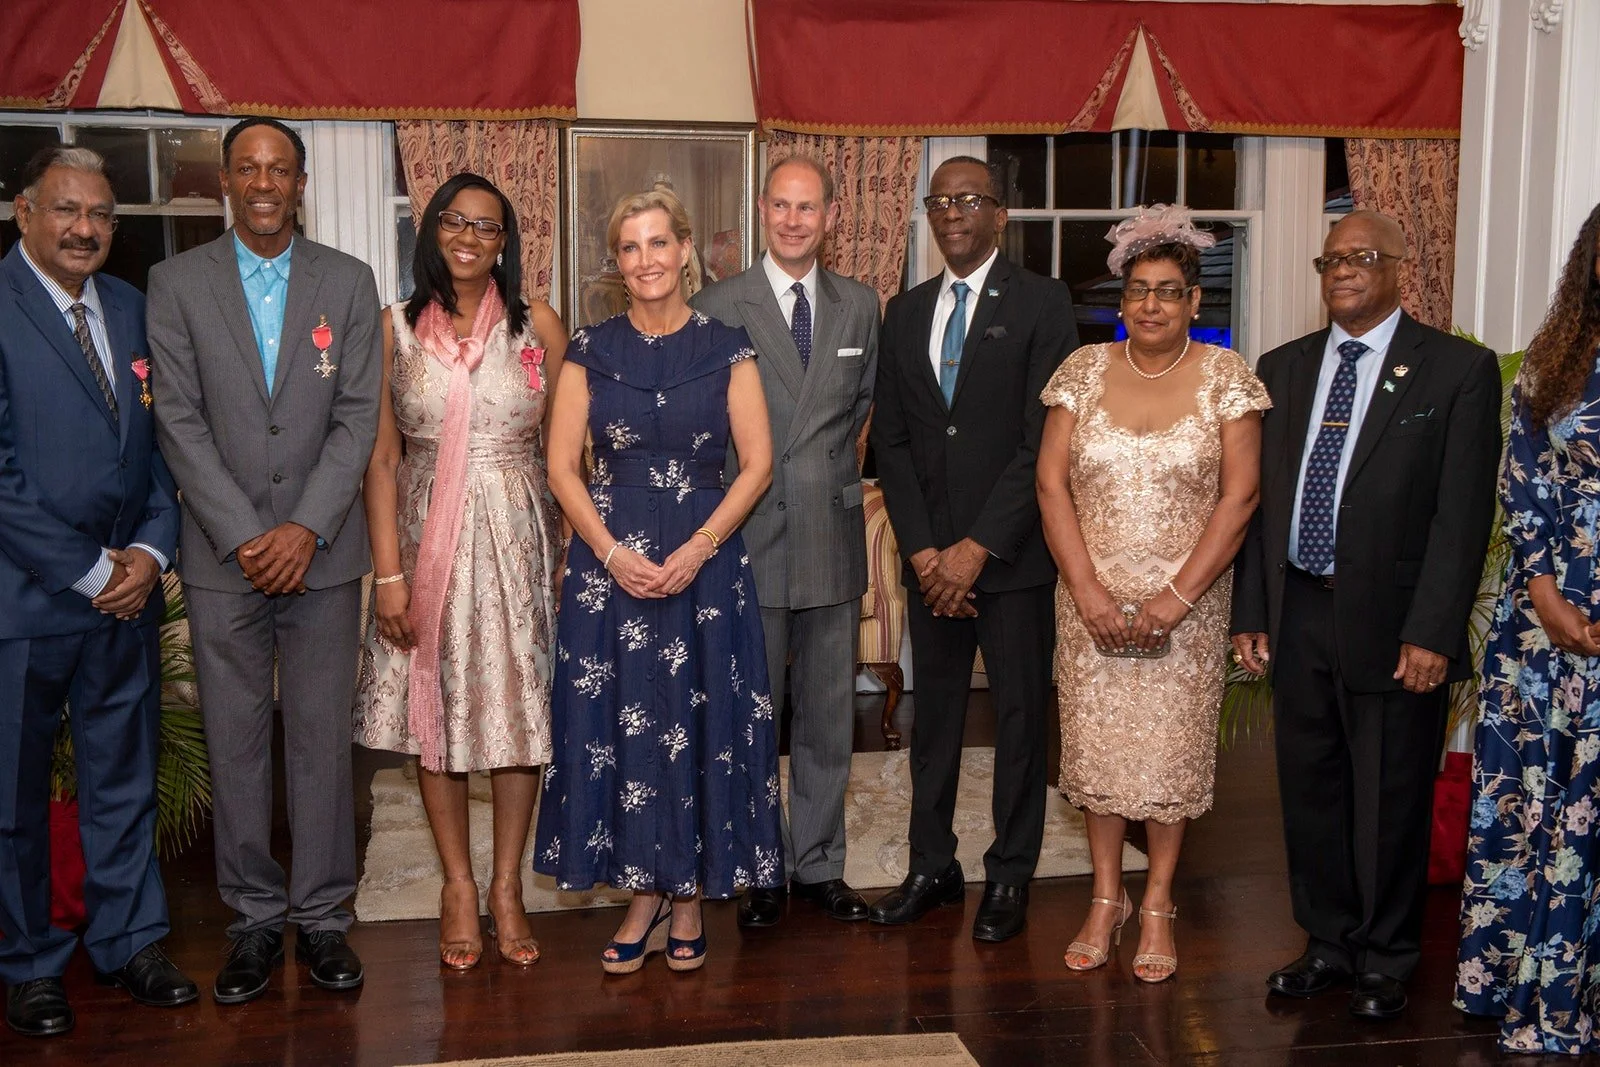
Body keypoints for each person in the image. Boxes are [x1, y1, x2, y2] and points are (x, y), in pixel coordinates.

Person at [1232, 210, 1501, 1020]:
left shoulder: (1455, 369)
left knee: (1390, 795)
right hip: (1299, 610)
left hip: (1396, 625)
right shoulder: (1282, 366)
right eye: (1331, 260)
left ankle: (1385, 956)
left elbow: (1462, 517)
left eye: (1361, 257)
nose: (1343, 270)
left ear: (1398, 266)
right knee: (1310, 788)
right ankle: (1327, 942)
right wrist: (1254, 610)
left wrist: (1432, 630)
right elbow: (1260, 504)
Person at [148, 117, 381, 1004]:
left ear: (300, 182)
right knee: (235, 739)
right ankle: (251, 918)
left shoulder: (347, 281)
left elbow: (358, 415)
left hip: (323, 555)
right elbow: (178, 418)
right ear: (225, 182)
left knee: (321, 739)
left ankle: (322, 916)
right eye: (246, 167)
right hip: (224, 558)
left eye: (279, 168)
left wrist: (306, 526)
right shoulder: (176, 283)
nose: (262, 182)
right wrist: (247, 534)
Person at [532, 187, 783, 973]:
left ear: (684, 250)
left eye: (659, 243)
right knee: (620, 726)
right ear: (618, 261)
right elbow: (561, 466)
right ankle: (643, 891)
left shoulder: (729, 346)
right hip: (610, 566)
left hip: (704, 564)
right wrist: (609, 554)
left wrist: (702, 545)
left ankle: (689, 895)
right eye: (630, 247)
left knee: (699, 720)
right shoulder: (589, 348)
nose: (646, 260)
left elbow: (758, 463)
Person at [1037, 206, 1269, 982]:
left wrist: (1176, 599)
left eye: (1168, 291)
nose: (1151, 305)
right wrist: (1088, 592)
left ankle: (1160, 899)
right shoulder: (1081, 370)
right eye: (1138, 290)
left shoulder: (1228, 378)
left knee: (1168, 760)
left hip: (1188, 609)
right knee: (1098, 752)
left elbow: (1240, 496)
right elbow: (1051, 484)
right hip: (1090, 601)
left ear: (1195, 301)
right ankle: (1107, 897)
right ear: (1122, 299)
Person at [0, 146, 196, 1037]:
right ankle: (30, 962)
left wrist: (150, 552)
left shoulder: (129, 307)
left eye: (101, 215)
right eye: (67, 210)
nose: (86, 228)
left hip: (128, 599)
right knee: (13, 796)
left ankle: (128, 940)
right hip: (26, 602)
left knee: (124, 780)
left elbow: (155, 450)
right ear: (24, 213)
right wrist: (92, 570)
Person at [353, 173, 568, 969]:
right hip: (424, 545)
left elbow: (567, 451)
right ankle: (456, 883)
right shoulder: (393, 329)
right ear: (432, 229)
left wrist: (572, 556)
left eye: (487, 226)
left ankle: (506, 885)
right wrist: (388, 574)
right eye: (455, 221)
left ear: (505, 242)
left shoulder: (539, 323)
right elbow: (382, 458)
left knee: (520, 717)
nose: (470, 237)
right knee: (434, 713)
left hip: (519, 537)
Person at [867, 156, 1077, 942]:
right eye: (939, 200)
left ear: (999, 215)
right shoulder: (905, 310)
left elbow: (1042, 440)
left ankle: (1011, 872)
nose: (952, 212)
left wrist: (977, 547)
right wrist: (926, 552)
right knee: (935, 719)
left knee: (1020, 718)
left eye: (968, 199)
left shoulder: (1043, 302)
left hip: (1011, 559)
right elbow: (892, 440)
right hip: (931, 568)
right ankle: (932, 864)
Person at [691, 156, 880, 928]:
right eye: (781, 206)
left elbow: (860, 410)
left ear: (831, 216)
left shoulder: (859, 305)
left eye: (808, 208)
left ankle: (820, 864)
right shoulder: (717, 305)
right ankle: (761, 865)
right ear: (761, 210)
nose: (794, 220)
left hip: (831, 534)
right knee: (752, 719)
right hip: (750, 537)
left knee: (829, 717)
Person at [1455, 201, 1600, 1055]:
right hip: (1547, 617)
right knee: (1536, 797)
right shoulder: (1555, 360)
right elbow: (1523, 478)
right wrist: (1545, 592)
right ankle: (1526, 983)